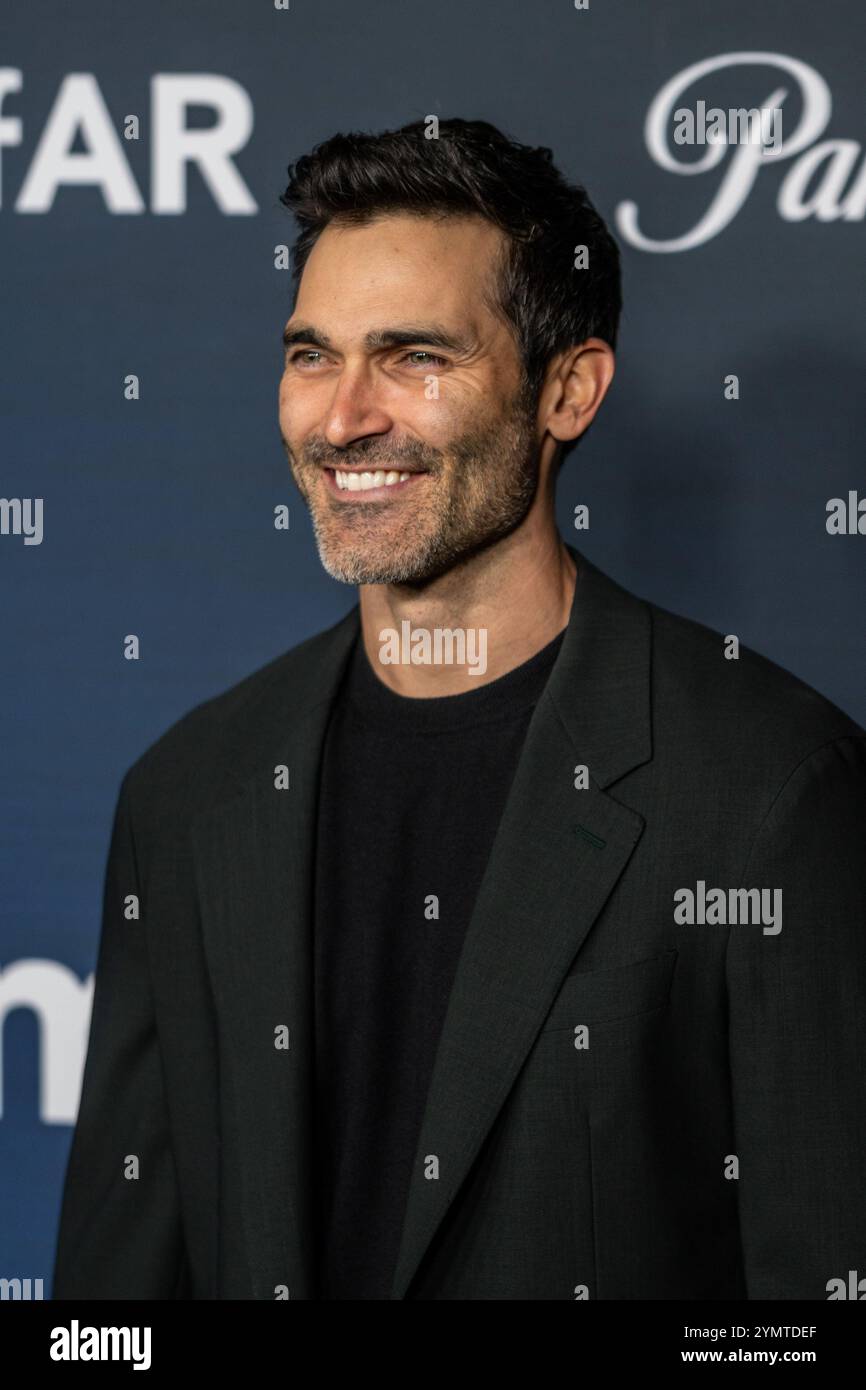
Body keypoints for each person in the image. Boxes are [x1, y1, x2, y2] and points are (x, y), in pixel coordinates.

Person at [53, 118, 866, 1300]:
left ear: (568, 391)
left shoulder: (769, 791)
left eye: (415, 357)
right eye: (311, 355)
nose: (343, 420)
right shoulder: (188, 795)